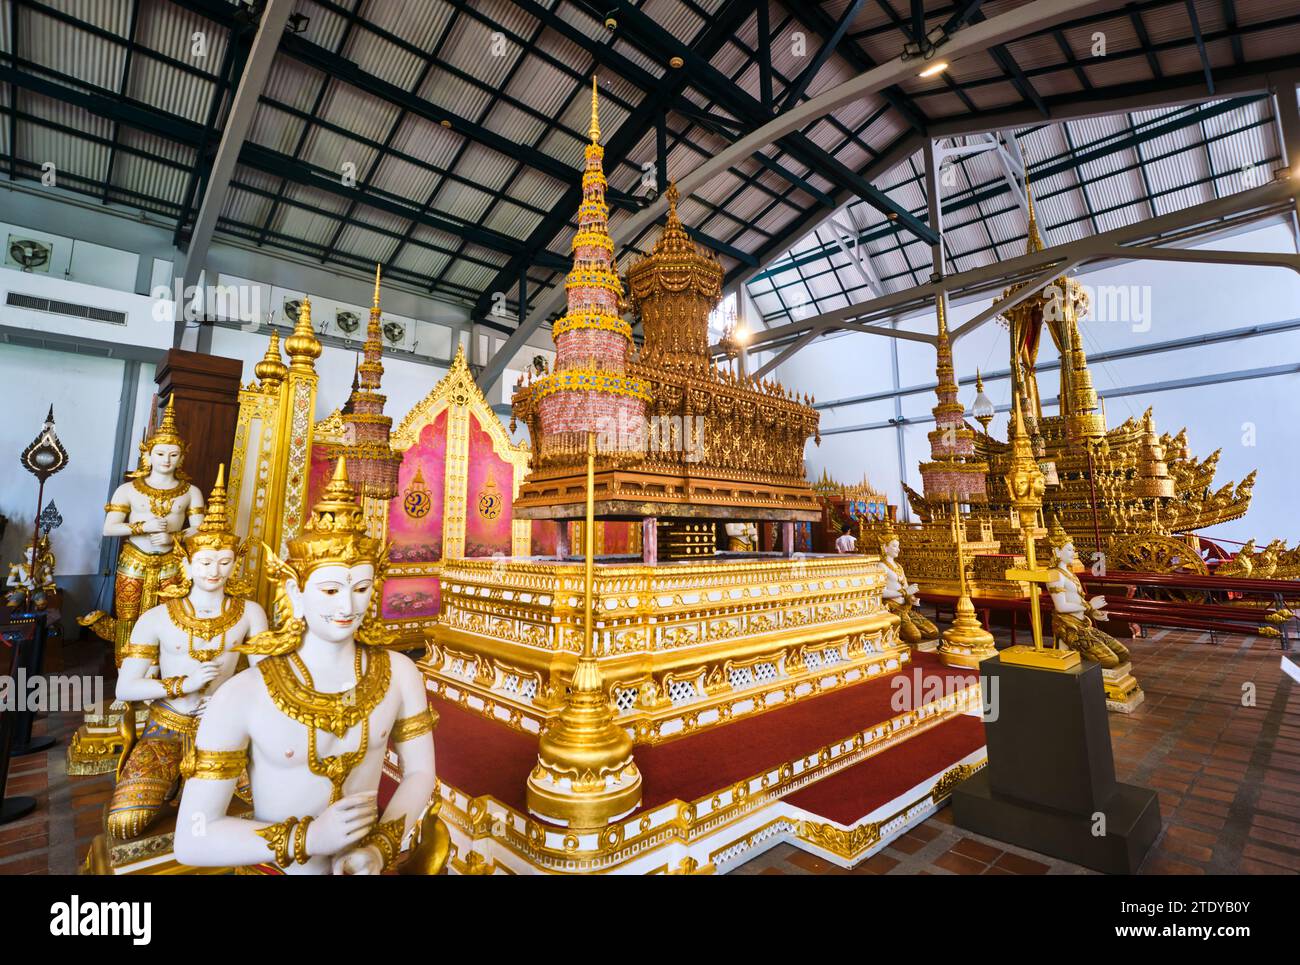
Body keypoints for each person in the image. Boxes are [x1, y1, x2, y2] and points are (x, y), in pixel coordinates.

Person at [175, 459, 437, 875]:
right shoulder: (243, 695)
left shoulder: (401, 674)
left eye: (362, 588)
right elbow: (192, 837)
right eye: (330, 589)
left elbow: (421, 773)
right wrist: (309, 838)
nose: (347, 606)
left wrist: (381, 847)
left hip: (364, 864)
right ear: (296, 592)